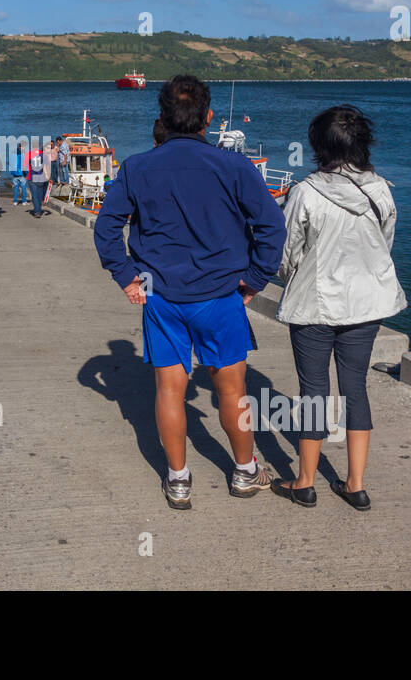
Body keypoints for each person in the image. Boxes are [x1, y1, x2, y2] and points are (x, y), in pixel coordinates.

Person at [94, 75, 286, 510]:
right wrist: (255, 279)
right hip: (220, 295)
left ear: (160, 117)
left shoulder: (137, 167)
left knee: (168, 390)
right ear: (209, 118)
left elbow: (107, 229)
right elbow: (272, 227)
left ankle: (178, 479)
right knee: (232, 391)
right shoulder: (235, 166)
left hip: (160, 296)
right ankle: (244, 471)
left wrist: (127, 277)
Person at [270, 105, 406, 511]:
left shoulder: (305, 192)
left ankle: (305, 482)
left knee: (314, 393)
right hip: (367, 304)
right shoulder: (381, 189)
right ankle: (356, 485)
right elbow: (385, 243)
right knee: (355, 389)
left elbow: (286, 252)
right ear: (362, 143)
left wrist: (293, 275)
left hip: (315, 304)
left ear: (319, 146)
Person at [28, 139, 49, 218]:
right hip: (41, 177)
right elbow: (46, 167)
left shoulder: (29, 154)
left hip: (32, 177)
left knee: (34, 195)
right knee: (40, 194)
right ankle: (39, 208)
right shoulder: (44, 155)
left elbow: (25, 166)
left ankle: (37, 211)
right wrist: (48, 176)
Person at [10, 140, 29, 206]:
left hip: (15, 173)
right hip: (22, 173)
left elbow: (11, 163)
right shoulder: (24, 154)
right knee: (23, 187)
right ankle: (24, 201)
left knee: (16, 187)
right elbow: (25, 164)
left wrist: (12, 172)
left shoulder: (13, 153)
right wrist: (26, 173)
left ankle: (15, 201)